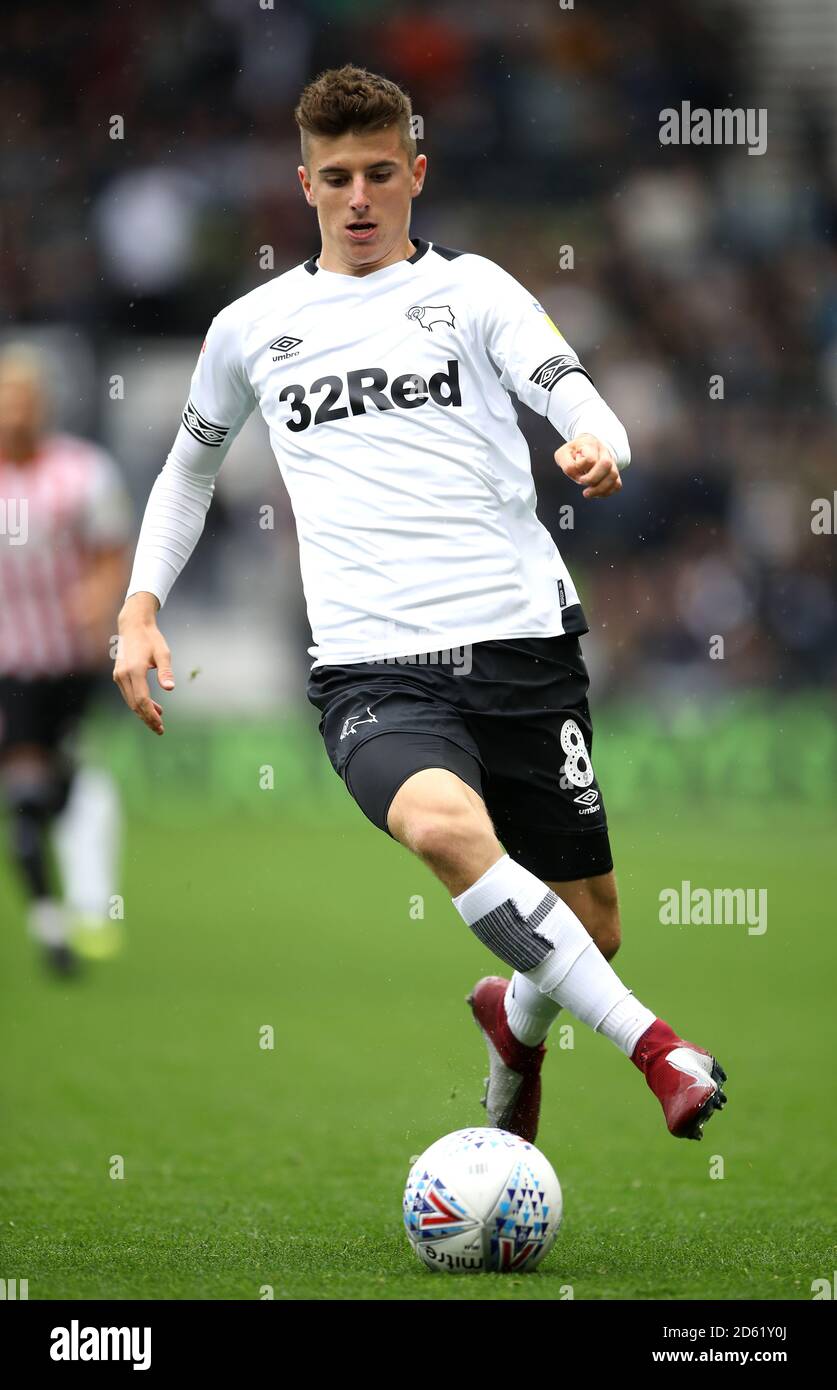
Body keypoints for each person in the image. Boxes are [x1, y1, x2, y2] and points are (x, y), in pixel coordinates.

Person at [114, 66, 727, 1141]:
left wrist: (600, 443)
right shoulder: (252, 327)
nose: (359, 198)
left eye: (380, 174)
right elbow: (188, 471)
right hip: (373, 669)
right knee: (446, 827)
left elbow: (571, 390)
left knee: (591, 926)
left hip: (523, 643)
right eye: (336, 177)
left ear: (417, 174)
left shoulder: (476, 291)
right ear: (304, 183)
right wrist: (139, 605)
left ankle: (514, 1023)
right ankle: (656, 1047)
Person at [0, 344, 132, 973]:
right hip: (6, 667)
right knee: (25, 789)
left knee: (52, 785)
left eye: (25, 399)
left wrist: (99, 599)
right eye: (7, 398)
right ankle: (53, 924)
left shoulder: (83, 473)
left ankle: (75, 904)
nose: (15, 411)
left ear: (43, 405)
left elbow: (111, 552)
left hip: (66, 662)